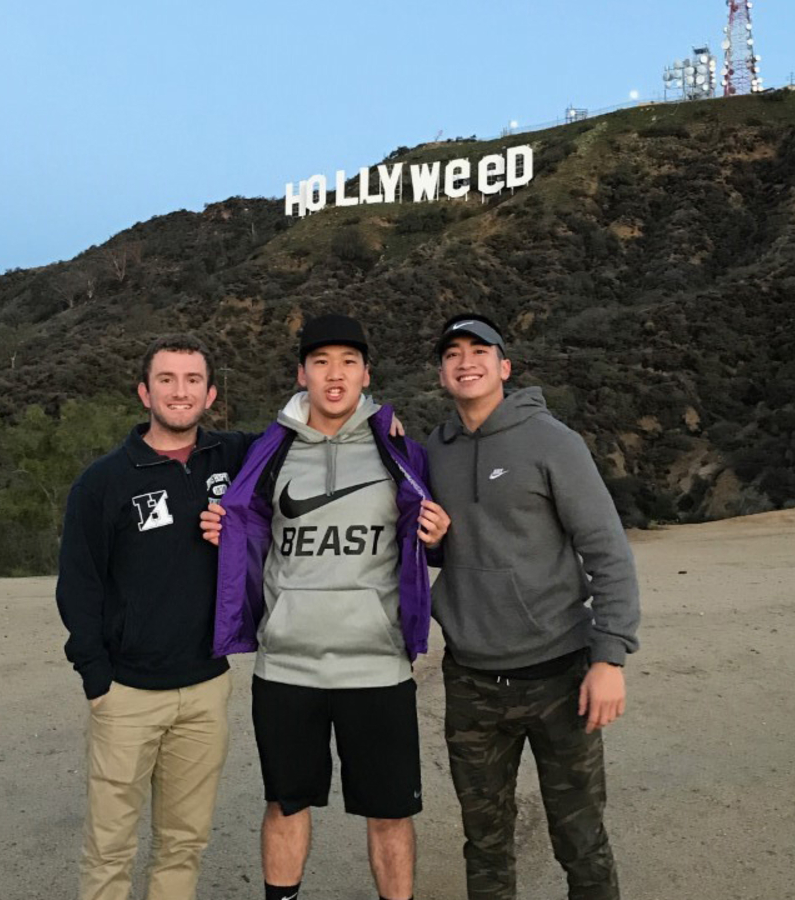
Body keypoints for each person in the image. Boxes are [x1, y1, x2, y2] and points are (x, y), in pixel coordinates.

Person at [200, 314, 450, 900]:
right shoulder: (270, 452)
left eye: (347, 363)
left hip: (377, 664)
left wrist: (440, 537)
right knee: (286, 805)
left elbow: (434, 546)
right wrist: (226, 529)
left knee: (389, 812)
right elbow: (242, 518)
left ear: (367, 374)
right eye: (320, 363)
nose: (334, 376)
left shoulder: (402, 454)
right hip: (287, 665)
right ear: (301, 373)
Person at [424, 313, 641, 900]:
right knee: (485, 841)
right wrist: (435, 542)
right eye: (452, 354)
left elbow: (607, 551)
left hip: (560, 673)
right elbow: (462, 549)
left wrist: (610, 657)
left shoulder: (552, 442)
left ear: (504, 367)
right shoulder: (433, 454)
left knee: (581, 838)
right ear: (442, 373)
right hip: (471, 680)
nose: (465, 361)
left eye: (479, 350)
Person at [55, 334, 255, 900]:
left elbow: (306, 440)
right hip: (127, 692)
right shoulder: (104, 481)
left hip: (207, 688)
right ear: (145, 391)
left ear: (211, 393)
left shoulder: (233, 457)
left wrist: (375, 425)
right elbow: (79, 584)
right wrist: (97, 678)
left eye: (193, 380)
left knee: (183, 843)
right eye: (166, 379)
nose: (179, 391)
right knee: (110, 848)